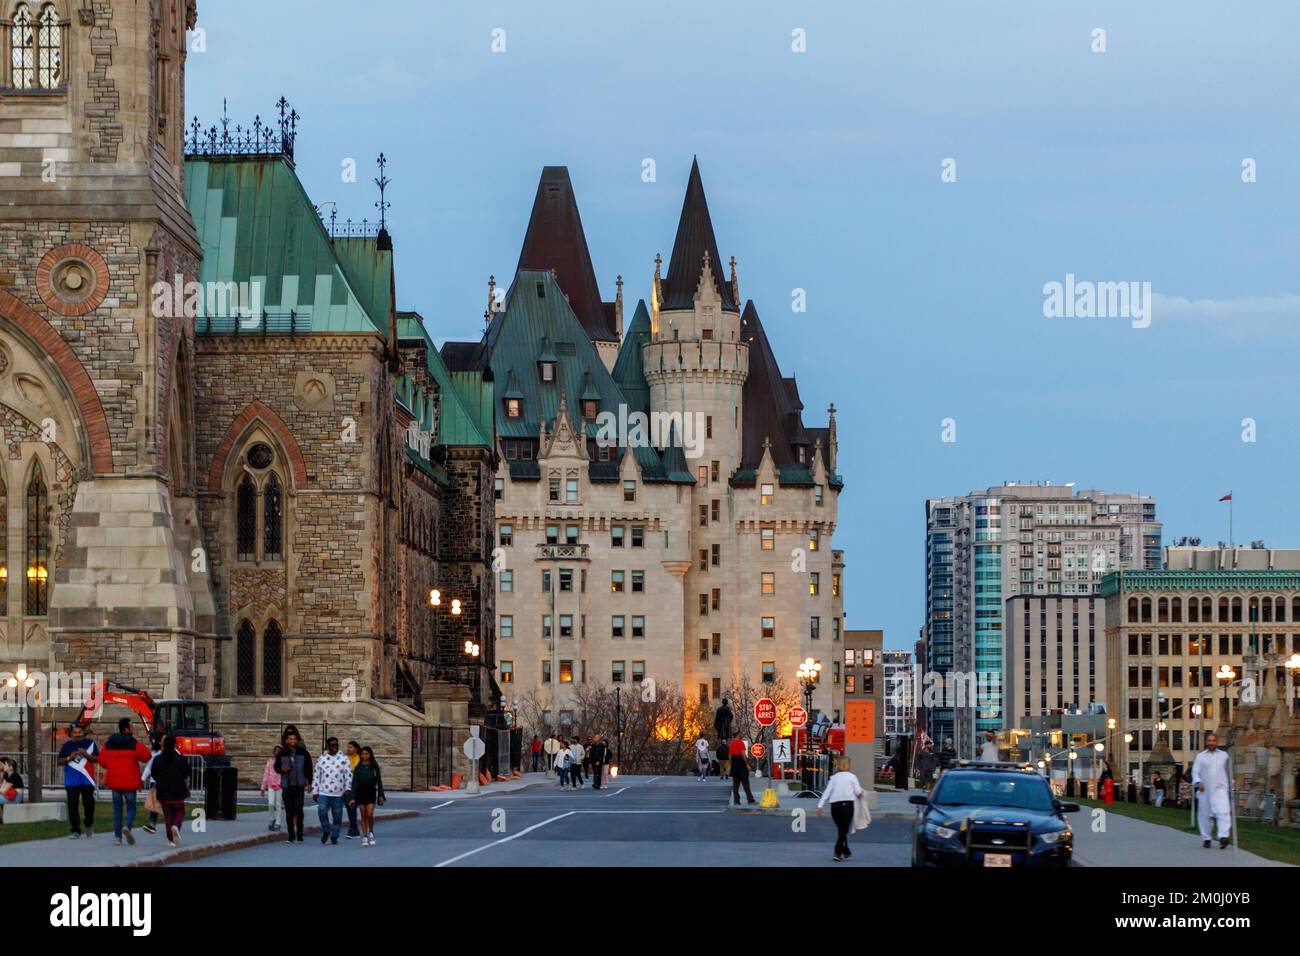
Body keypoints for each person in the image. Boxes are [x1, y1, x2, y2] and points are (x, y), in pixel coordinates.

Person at [100, 717, 151, 847]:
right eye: (132, 726)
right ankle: (127, 826)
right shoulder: (134, 743)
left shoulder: (109, 743)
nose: (133, 728)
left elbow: (102, 762)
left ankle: (117, 838)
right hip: (130, 781)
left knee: (117, 811)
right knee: (131, 809)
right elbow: (146, 756)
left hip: (114, 781)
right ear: (126, 728)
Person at [817, 758, 869, 862]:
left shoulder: (833, 778)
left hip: (835, 807)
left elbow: (827, 792)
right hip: (848, 806)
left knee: (841, 830)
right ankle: (837, 852)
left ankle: (846, 852)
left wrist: (820, 805)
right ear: (848, 765)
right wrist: (862, 794)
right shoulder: (852, 777)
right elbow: (858, 792)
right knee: (843, 830)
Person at [58, 723, 99, 839]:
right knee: (72, 806)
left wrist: (86, 755)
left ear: (83, 732)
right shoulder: (67, 746)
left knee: (89, 805)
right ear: (71, 734)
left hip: (87, 780)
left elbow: (97, 758)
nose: (77, 735)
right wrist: (70, 757)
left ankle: (89, 824)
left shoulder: (90, 744)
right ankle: (75, 830)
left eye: (79, 732)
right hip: (71, 781)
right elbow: (59, 761)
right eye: (75, 733)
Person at [310, 736, 353, 846]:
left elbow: (348, 775)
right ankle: (326, 830)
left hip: (339, 794)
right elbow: (316, 775)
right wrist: (314, 791)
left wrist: (348, 789)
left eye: (336, 745)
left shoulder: (344, 758)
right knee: (322, 811)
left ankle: (334, 835)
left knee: (337, 817)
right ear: (327, 746)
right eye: (332, 745)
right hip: (324, 792)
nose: (334, 747)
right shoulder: (322, 758)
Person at [1192, 732, 1232, 849]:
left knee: (1223, 812)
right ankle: (1206, 838)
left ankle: (1223, 837)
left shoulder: (1224, 756)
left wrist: (1231, 784)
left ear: (1217, 742)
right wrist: (1198, 782)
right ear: (1206, 742)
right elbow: (1195, 772)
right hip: (1205, 790)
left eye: (1213, 740)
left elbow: (1229, 771)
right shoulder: (1200, 757)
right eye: (1209, 740)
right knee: (1205, 816)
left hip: (1221, 790)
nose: (1211, 743)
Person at [149, 735, 190, 847]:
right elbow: (186, 773)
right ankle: (176, 826)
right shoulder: (181, 759)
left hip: (163, 791)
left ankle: (170, 839)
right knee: (180, 812)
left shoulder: (158, 759)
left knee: (168, 815)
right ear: (175, 745)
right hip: (178, 790)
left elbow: (154, 774)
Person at [278, 728, 312, 844]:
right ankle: (291, 835)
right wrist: (281, 769)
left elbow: (308, 768)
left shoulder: (303, 752)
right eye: (290, 739)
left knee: (299, 809)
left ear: (297, 740)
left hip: (299, 785)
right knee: (289, 811)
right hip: (287, 786)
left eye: (294, 739)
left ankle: (300, 834)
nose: (292, 741)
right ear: (286, 741)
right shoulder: (282, 753)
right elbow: (276, 767)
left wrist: (309, 782)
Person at [352, 746, 385, 846]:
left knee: (369, 814)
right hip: (361, 791)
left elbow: (379, 781)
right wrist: (352, 797)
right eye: (362, 754)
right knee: (363, 814)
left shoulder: (374, 766)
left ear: (370, 755)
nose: (364, 756)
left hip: (370, 790)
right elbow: (355, 783)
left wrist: (380, 795)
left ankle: (371, 831)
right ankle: (365, 835)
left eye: (366, 754)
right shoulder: (358, 767)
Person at [140, 735, 163, 834]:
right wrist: (142, 779)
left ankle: (172, 823)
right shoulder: (154, 755)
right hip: (155, 781)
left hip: (167, 782)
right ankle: (152, 824)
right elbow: (148, 768)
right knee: (154, 803)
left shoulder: (172, 753)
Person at [261, 744, 285, 832]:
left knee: (278, 804)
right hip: (271, 785)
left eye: (279, 751)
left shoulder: (283, 762)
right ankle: (272, 818)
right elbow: (266, 774)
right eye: (276, 750)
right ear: (274, 752)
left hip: (279, 785)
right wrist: (263, 787)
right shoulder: (270, 762)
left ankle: (278, 823)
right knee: (271, 803)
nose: (277, 752)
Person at [729, 735, 756, 806]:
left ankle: (736, 800)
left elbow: (729, 756)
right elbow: (743, 753)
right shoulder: (740, 743)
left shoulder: (731, 744)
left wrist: (731, 765)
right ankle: (750, 799)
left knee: (735, 785)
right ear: (738, 735)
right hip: (741, 763)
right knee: (745, 783)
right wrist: (747, 764)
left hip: (734, 764)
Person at [345, 740, 362, 839]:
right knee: (349, 808)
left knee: (352, 807)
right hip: (347, 787)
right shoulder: (345, 759)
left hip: (356, 787)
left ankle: (352, 829)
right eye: (348, 747)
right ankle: (354, 829)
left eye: (351, 747)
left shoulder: (359, 759)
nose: (348, 749)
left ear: (356, 749)